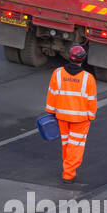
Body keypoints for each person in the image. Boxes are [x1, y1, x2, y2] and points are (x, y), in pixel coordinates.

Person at [45, 44, 97, 185]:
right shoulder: (88, 78)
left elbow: (52, 94)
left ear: (69, 57)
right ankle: (68, 174)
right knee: (76, 146)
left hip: (62, 117)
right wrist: (91, 116)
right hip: (80, 120)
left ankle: (67, 167)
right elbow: (91, 101)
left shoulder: (58, 73)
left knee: (66, 144)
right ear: (83, 59)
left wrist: (51, 113)